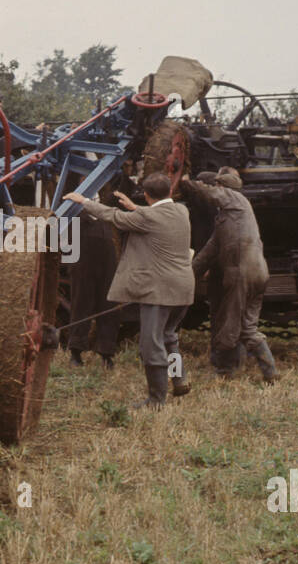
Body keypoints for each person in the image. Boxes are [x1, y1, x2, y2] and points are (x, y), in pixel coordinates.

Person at [63, 172, 195, 408]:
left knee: (151, 345)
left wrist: (83, 201)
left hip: (159, 291)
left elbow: (112, 215)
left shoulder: (148, 217)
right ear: (169, 191)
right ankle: (179, 378)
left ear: (146, 194)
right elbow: (151, 215)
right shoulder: (181, 211)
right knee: (169, 338)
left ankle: (156, 400)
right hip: (183, 288)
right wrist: (135, 207)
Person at [180, 168, 278, 382]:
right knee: (248, 326)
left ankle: (225, 371)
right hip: (257, 273)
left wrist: (185, 181)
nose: (216, 191)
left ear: (223, 188)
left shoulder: (236, 200)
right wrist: (187, 276)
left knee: (231, 323)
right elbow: (209, 252)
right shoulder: (229, 218)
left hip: (242, 273)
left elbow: (209, 193)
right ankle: (270, 373)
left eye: (218, 187)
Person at [66, 209, 119, 369]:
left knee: (109, 302)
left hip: (107, 251)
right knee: (81, 302)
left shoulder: (106, 198)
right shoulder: (73, 202)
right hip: (82, 252)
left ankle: (106, 353)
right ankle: (76, 352)